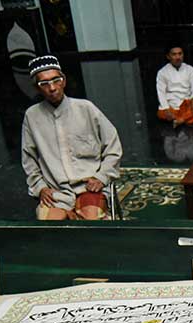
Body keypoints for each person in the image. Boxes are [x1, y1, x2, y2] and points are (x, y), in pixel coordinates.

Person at [21, 55, 122, 220]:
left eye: (56, 80)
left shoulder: (86, 108)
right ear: (37, 88)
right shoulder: (32, 116)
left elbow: (113, 146)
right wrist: (40, 187)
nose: (52, 87)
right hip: (56, 190)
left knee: (93, 222)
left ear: (64, 81)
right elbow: (29, 159)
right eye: (44, 83)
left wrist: (101, 176)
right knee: (52, 227)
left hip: (89, 186)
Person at [156, 44, 193, 127]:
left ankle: (180, 120)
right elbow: (161, 92)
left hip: (187, 103)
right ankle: (186, 118)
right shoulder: (162, 72)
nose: (178, 57)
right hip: (171, 106)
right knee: (161, 113)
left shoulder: (191, 70)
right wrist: (166, 108)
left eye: (180, 54)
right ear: (168, 56)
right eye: (174, 54)